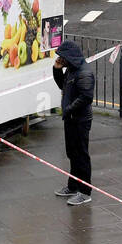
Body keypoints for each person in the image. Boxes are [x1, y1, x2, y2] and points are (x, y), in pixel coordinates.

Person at [52, 40, 95, 207]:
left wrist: (69, 109)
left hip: (80, 120)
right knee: (72, 153)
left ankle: (85, 191)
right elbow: (62, 84)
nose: (61, 60)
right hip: (70, 119)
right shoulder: (71, 69)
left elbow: (86, 97)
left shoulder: (84, 73)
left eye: (63, 57)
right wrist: (57, 69)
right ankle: (73, 186)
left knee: (81, 155)